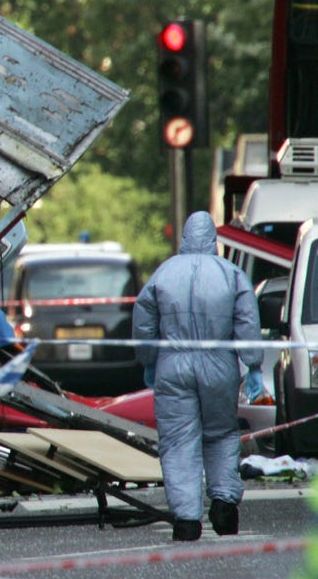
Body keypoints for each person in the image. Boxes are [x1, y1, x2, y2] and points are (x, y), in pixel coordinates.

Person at [132, 211, 263, 542]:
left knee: (177, 441)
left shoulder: (163, 274)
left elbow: (143, 321)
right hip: (219, 364)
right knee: (220, 434)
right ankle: (223, 502)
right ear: (213, 242)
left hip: (173, 365)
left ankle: (187, 519)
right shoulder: (231, 275)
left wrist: (149, 360)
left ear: (184, 239)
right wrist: (254, 364)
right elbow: (247, 322)